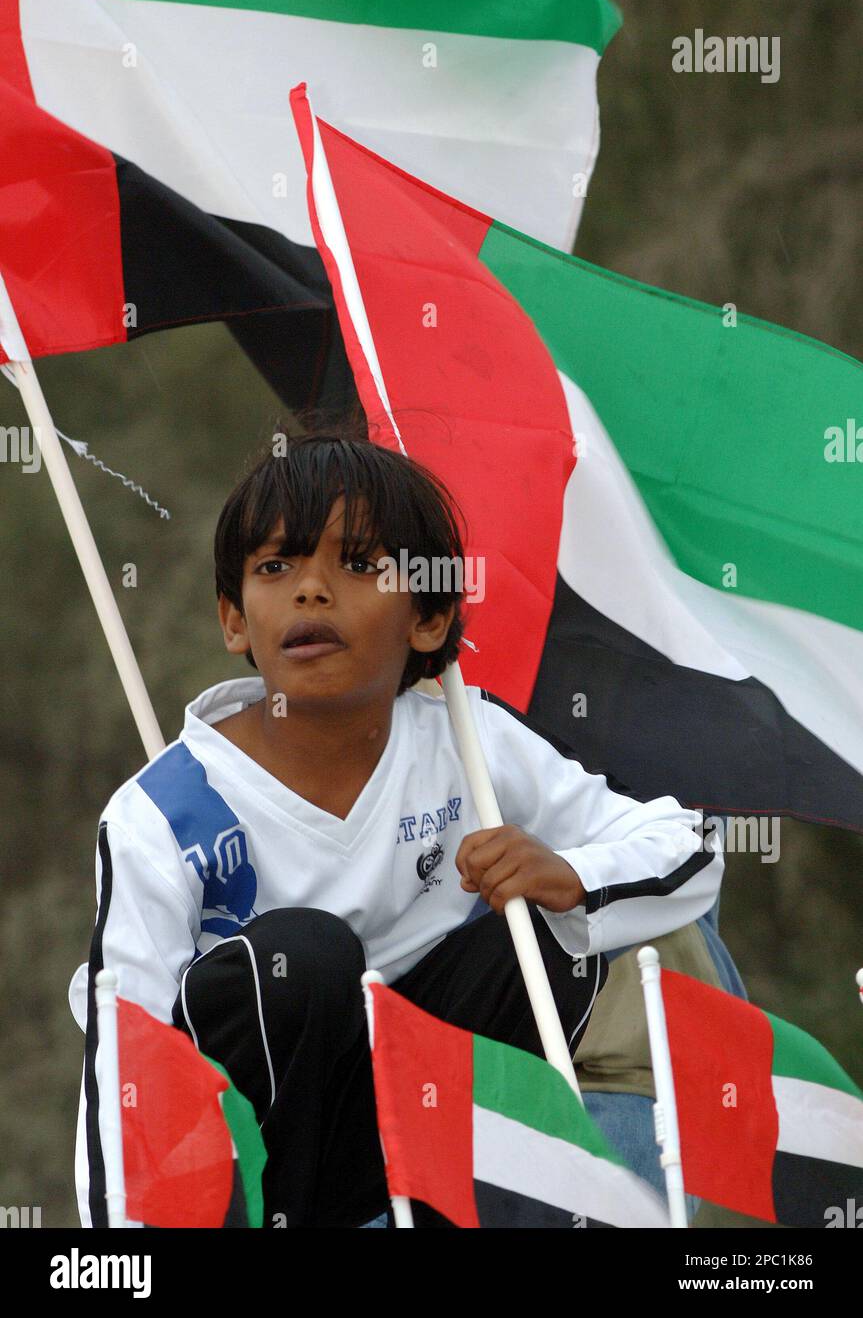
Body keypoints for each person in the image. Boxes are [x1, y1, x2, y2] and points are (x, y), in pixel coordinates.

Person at [69, 431, 726, 1228]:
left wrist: (570, 876)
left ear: (428, 617)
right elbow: (123, 1061)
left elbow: (687, 848)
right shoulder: (162, 813)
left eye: (357, 564)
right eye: (276, 567)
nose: (310, 591)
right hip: (261, 1158)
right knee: (302, 957)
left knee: (540, 929)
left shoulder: (465, 740)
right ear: (235, 620)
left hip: (417, 1134)